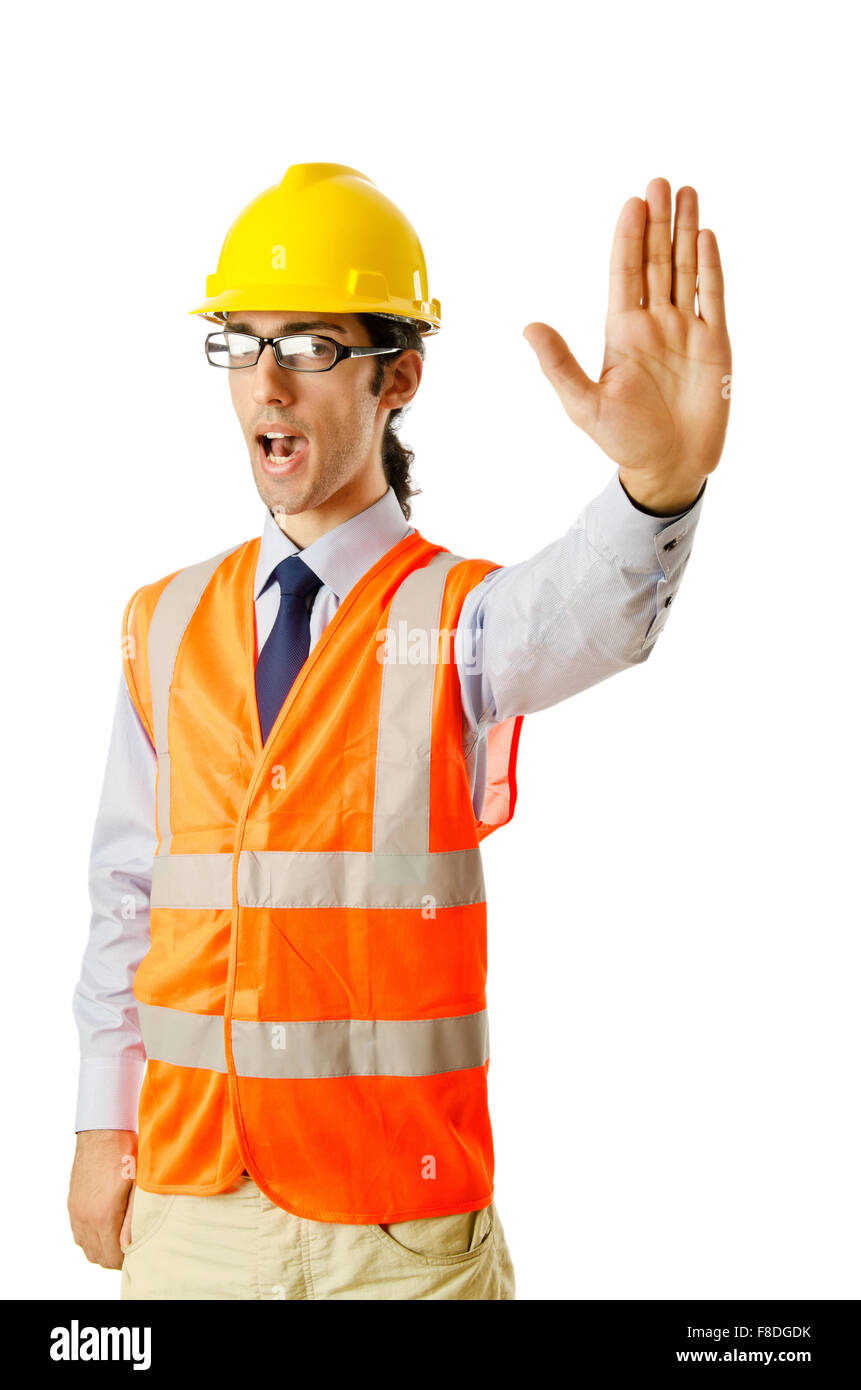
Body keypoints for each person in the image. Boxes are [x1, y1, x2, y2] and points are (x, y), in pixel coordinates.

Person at [68, 163, 731, 1300]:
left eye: (313, 345)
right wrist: (97, 1123)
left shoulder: (460, 621)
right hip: (192, 1212)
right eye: (243, 342)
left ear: (397, 378)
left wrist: (656, 484)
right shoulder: (162, 621)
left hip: (397, 1238)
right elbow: (128, 890)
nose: (268, 383)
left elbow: (593, 612)